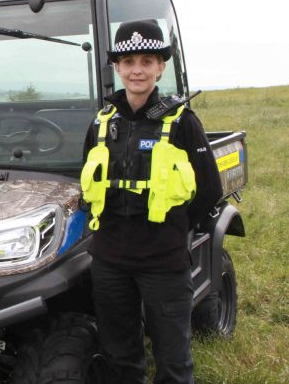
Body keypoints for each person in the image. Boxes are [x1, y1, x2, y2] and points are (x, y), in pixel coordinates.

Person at [80, 19, 223, 384]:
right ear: (117, 68)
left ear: (161, 67)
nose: (137, 70)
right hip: (110, 261)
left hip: (163, 262)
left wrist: (172, 230)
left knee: (173, 360)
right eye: (129, 62)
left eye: (147, 61)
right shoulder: (100, 123)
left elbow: (208, 190)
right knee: (120, 356)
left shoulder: (182, 122)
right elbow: (87, 182)